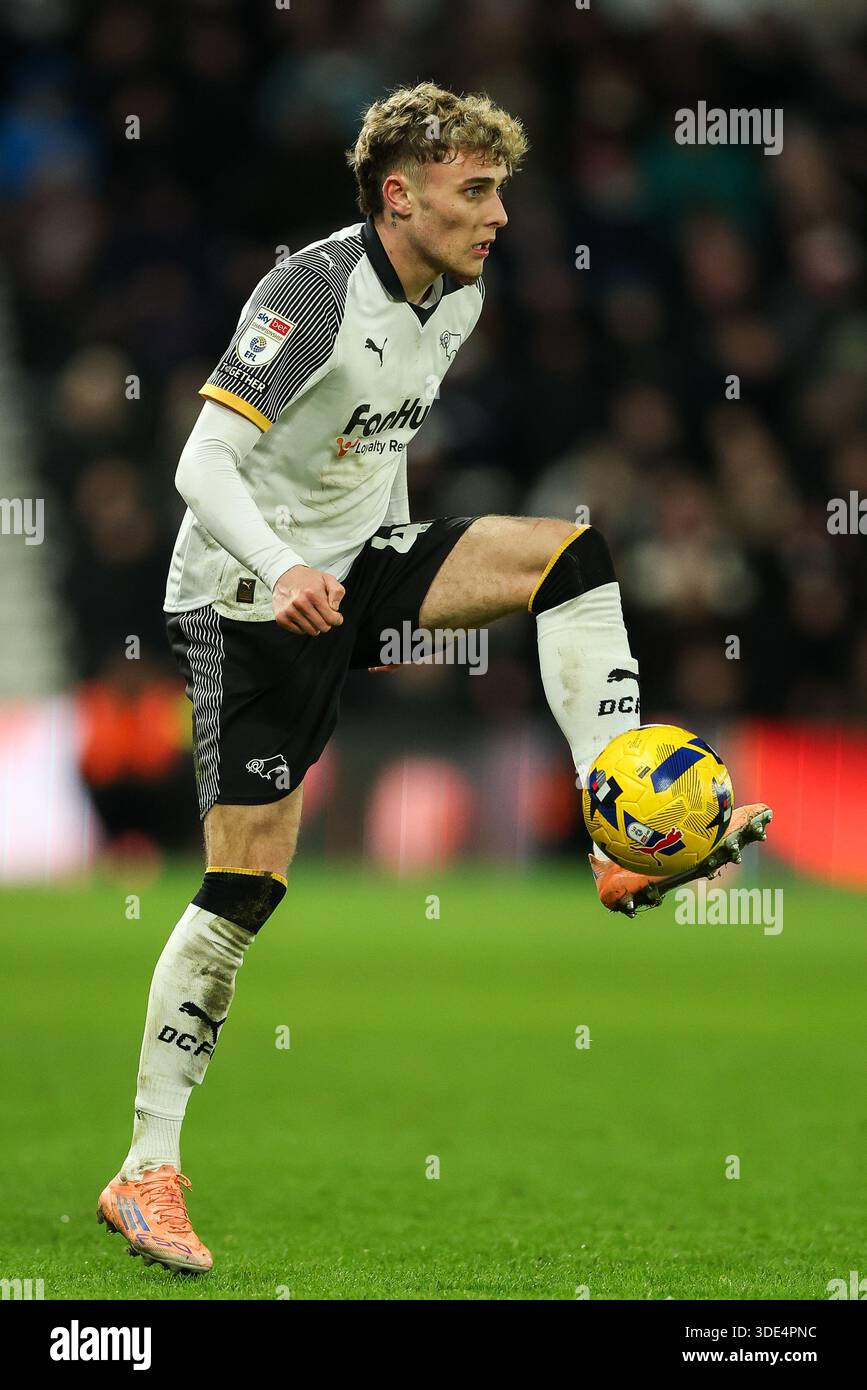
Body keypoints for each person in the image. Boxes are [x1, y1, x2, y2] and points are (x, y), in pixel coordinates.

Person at [97, 81, 764, 1274]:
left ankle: (612, 813)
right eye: (477, 190)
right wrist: (284, 567)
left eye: (501, 190)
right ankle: (145, 1168)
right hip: (245, 598)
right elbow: (201, 464)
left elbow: (379, 444)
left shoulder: (458, 293)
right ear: (399, 197)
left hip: (358, 563)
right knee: (244, 888)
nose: (500, 214)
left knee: (568, 556)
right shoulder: (309, 293)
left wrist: (379, 564)